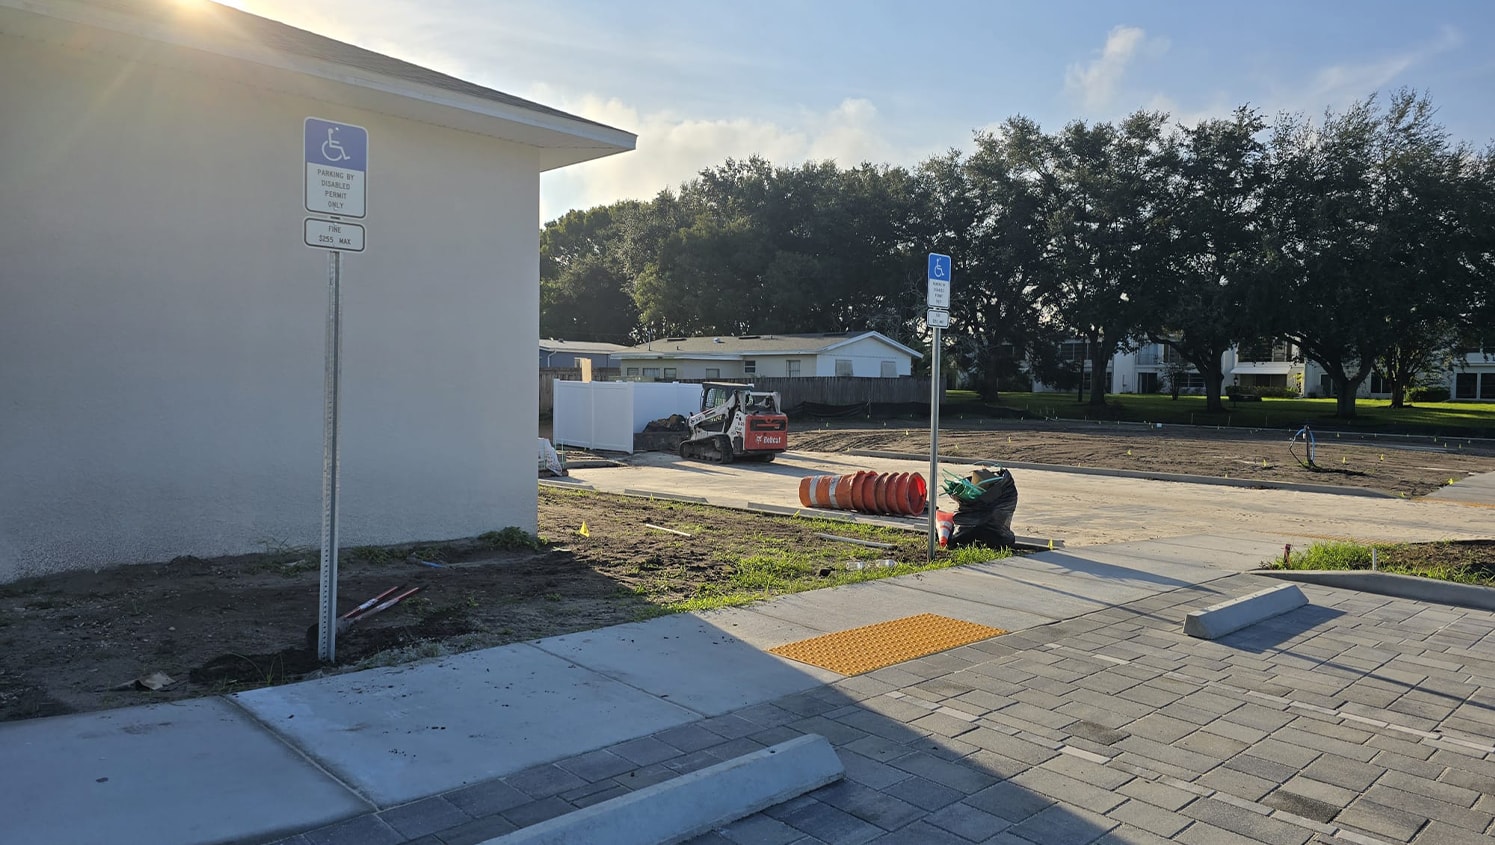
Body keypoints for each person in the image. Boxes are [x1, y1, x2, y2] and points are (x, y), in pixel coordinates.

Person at [947, 467, 1018, 550]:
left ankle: (963, 537)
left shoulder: (1003, 489)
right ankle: (996, 539)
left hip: (980, 528)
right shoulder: (1004, 488)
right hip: (998, 537)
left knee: (988, 512)